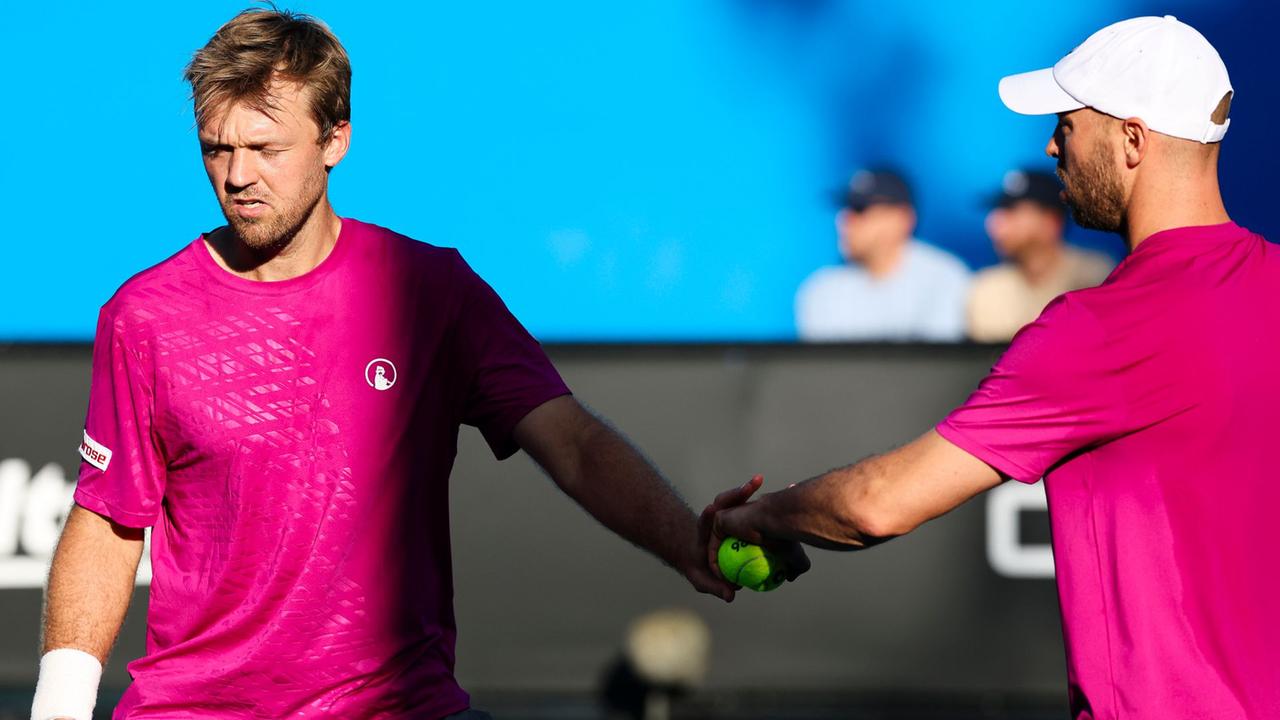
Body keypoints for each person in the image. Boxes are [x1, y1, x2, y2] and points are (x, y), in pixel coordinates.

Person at [31, 9, 758, 720]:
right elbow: (106, 521)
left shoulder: (431, 292)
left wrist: (684, 538)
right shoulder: (143, 315)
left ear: (335, 138)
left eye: (265, 148)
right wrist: (59, 704)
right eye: (217, 149)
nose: (238, 175)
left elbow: (572, 442)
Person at [710, 16, 1279, 719]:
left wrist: (764, 516)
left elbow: (876, 506)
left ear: (1131, 140)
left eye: (1068, 124)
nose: (1051, 145)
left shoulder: (1095, 330)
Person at [794, 169, 971, 342]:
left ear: (902, 218)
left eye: (860, 210)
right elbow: (825, 368)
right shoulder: (821, 291)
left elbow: (937, 365)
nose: (844, 221)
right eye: (844, 210)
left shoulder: (944, 277)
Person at [967, 169, 1114, 341]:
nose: (993, 223)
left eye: (1011, 210)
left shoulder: (1097, 276)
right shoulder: (986, 289)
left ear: (1051, 221)